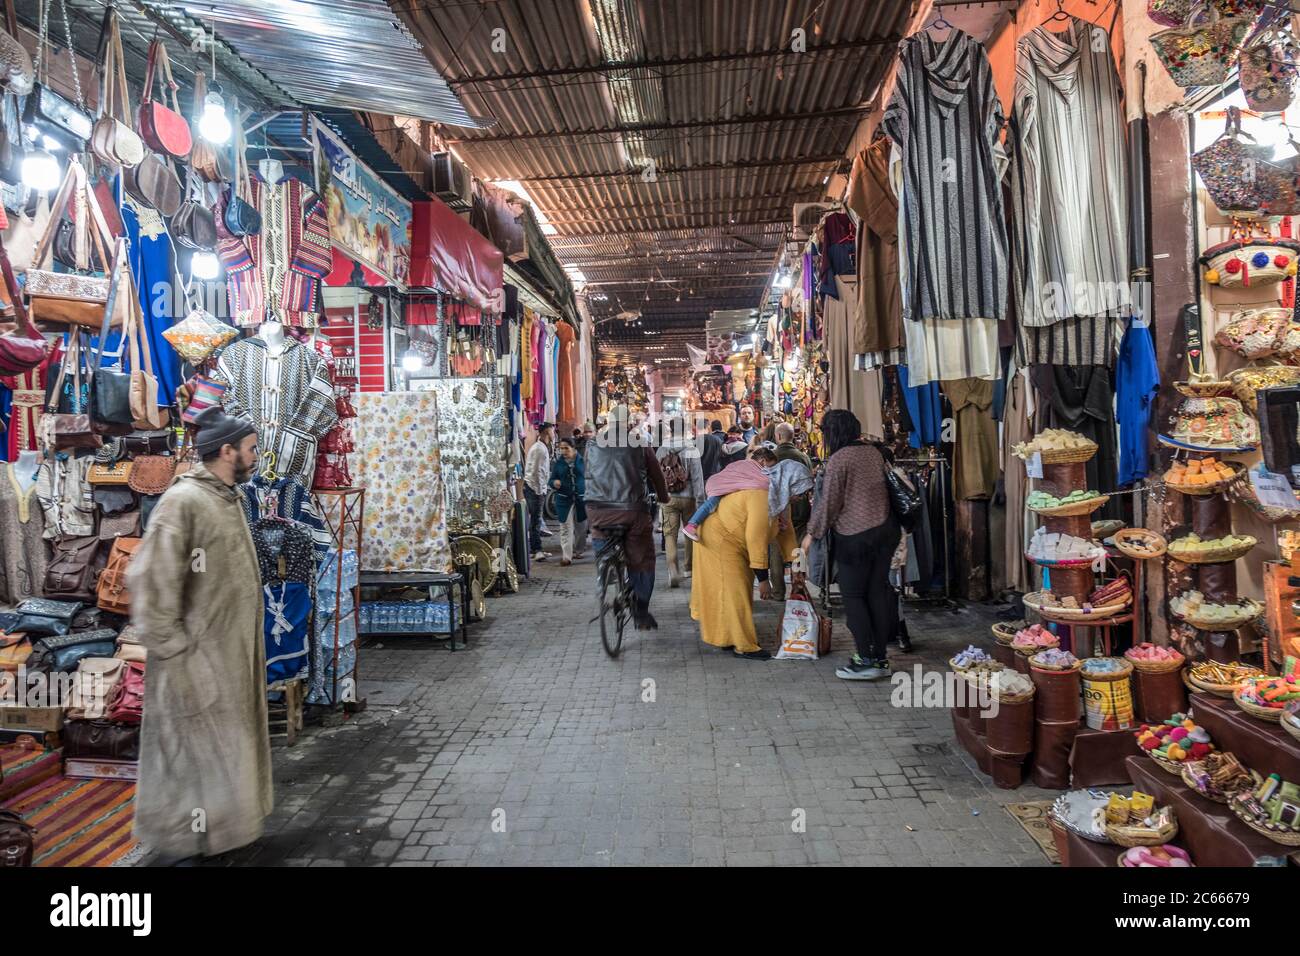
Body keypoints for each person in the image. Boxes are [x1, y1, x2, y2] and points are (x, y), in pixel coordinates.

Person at [128, 407, 270, 864]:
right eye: (250, 449)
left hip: (226, 660)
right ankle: (188, 848)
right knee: (194, 762)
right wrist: (177, 653)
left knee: (223, 756)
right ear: (226, 451)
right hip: (194, 665)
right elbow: (151, 584)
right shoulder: (183, 501)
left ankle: (222, 839)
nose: (255, 457)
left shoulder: (227, 497)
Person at [802, 409, 901, 681]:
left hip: (856, 538)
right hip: (885, 532)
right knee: (876, 593)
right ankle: (879, 657)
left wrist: (812, 533)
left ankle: (865, 658)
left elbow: (829, 503)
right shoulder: (874, 453)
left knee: (854, 596)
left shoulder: (839, 459)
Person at [690, 458, 798, 661]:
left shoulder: (779, 499)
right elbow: (756, 541)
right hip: (719, 540)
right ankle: (743, 646)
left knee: (733, 591)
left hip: (731, 540)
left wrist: (797, 562)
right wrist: (764, 580)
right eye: (799, 490)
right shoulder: (762, 497)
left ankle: (727, 636)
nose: (802, 497)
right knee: (736, 591)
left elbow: (786, 531)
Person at [584, 405, 670, 629]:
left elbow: (588, 474)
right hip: (632, 511)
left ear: (608, 424)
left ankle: (604, 573)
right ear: (629, 424)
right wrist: (663, 497)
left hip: (597, 512)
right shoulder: (640, 444)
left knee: (602, 547)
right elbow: (657, 476)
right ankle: (641, 610)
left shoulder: (591, 445)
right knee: (642, 560)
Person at [655, 417, 704, 588]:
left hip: (668, 497)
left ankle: (672, 570)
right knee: (689, 532)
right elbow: (698, 478)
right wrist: (701, 501)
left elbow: (656, 475)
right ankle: (688, 568)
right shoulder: (692, 449)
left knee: (670, 535)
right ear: (686, 429)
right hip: (689, 497)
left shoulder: (662, 450)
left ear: (671, 429)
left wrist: (659, 496)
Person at [549, 437, 586, 566]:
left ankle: (579, 549)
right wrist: (554, 483)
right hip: (564, 500)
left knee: (581, 527)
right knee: (565, 527)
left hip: (581, 498)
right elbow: (551, 479)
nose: (563, 451)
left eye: (566, 448)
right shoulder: (558, 463)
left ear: (573, 448)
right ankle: (566, 557)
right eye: (561, 449)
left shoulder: (583, 461)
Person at [524, 422, 554, 561]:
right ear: (546, 433)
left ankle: (536, 548)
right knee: (535, 520)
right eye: (551, 431)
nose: (553, 434)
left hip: (536, 487)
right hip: (534, 488)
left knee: (536, 519)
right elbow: (536, 471)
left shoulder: (542, 447)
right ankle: (536, 550)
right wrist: (540, 490)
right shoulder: (539, 449)